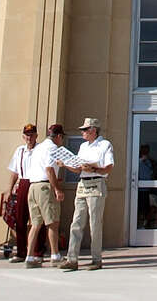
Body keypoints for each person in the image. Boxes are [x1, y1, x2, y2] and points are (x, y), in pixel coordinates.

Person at [60, 117, 114, 272]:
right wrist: (66, 165)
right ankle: (72, 259)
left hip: (97, 183)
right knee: (76, 222)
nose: (82, 132)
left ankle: (96, 259)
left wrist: (94, 170)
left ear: (93, 130)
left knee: (95, 223)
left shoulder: (105, 145)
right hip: (83, 184)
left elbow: (108, 167)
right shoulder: (83, 146)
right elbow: (78, 168)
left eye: (85, 129)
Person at [24, 124, 68, 268]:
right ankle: (55, 255)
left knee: (35, 224)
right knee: (53, 223)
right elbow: (49, 169)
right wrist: (57, 189)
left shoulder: (38, 148)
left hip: (33, 186)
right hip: (44, 187)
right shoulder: (52, 148)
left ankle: (29, 257)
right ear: (59, 136)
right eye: (62, 137)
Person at [5, 124, 39, 262]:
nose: (29, 138)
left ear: (36, 135)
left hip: (36, 182)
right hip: (23, 182)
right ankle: (21, 252)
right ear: (23, 136)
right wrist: (9, 189)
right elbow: (14, 172)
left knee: (36, 218)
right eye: (27, 135)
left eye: (32, 135)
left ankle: (37, 252)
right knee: (20, 218)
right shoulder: (20, 151)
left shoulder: (40, 149)